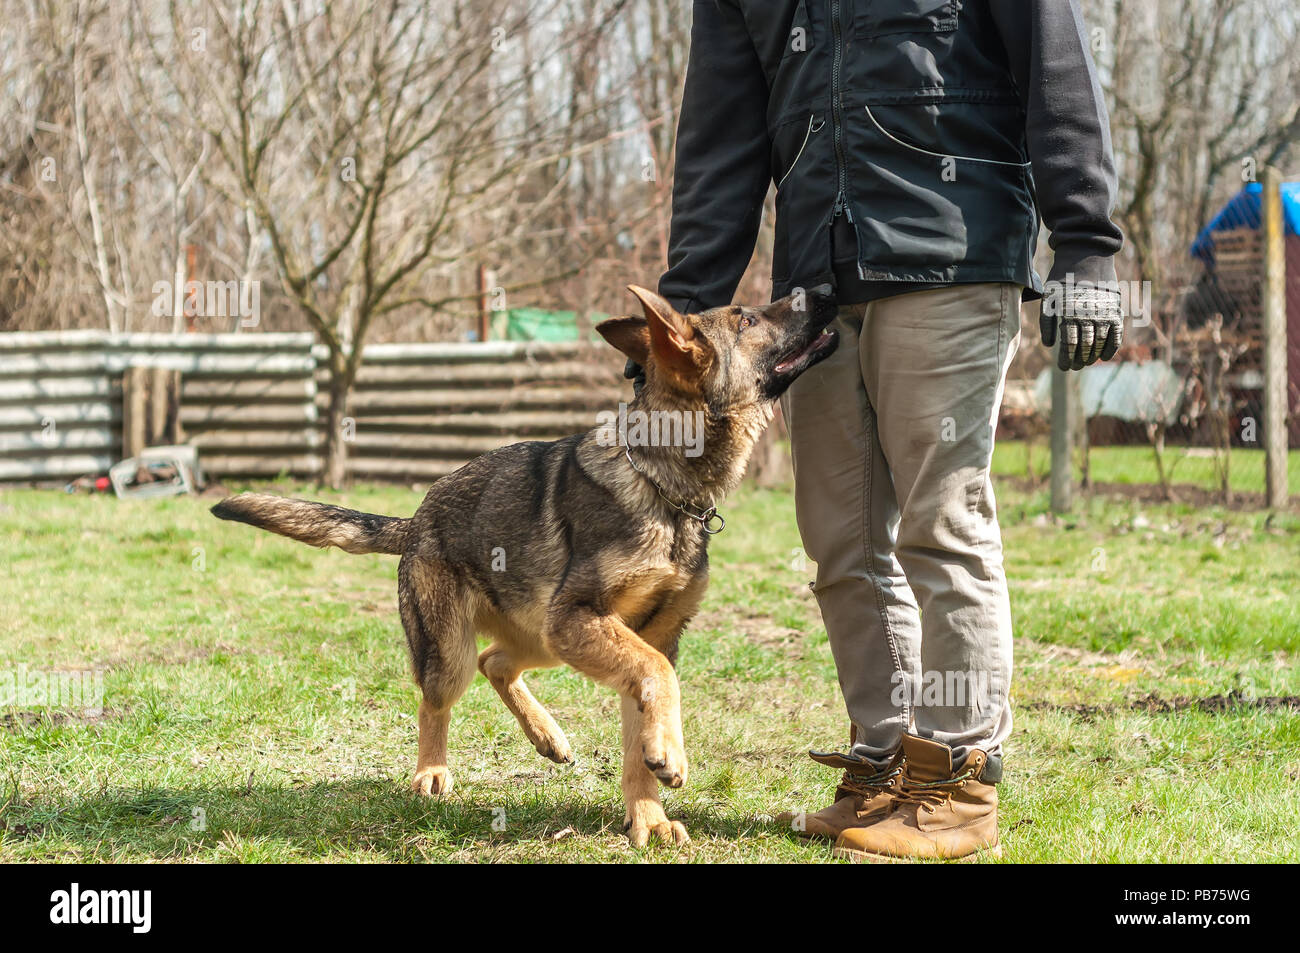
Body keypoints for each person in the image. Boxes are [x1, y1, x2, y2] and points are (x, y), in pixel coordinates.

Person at [637, 0, 1125, 860]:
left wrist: (1085, 240)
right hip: (817, 286)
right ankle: (887, 759)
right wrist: (676, 332)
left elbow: (1056, 59)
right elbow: (719, 140)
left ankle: (958, 777)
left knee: (943, 521)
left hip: (951, 250)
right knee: (840, 537)